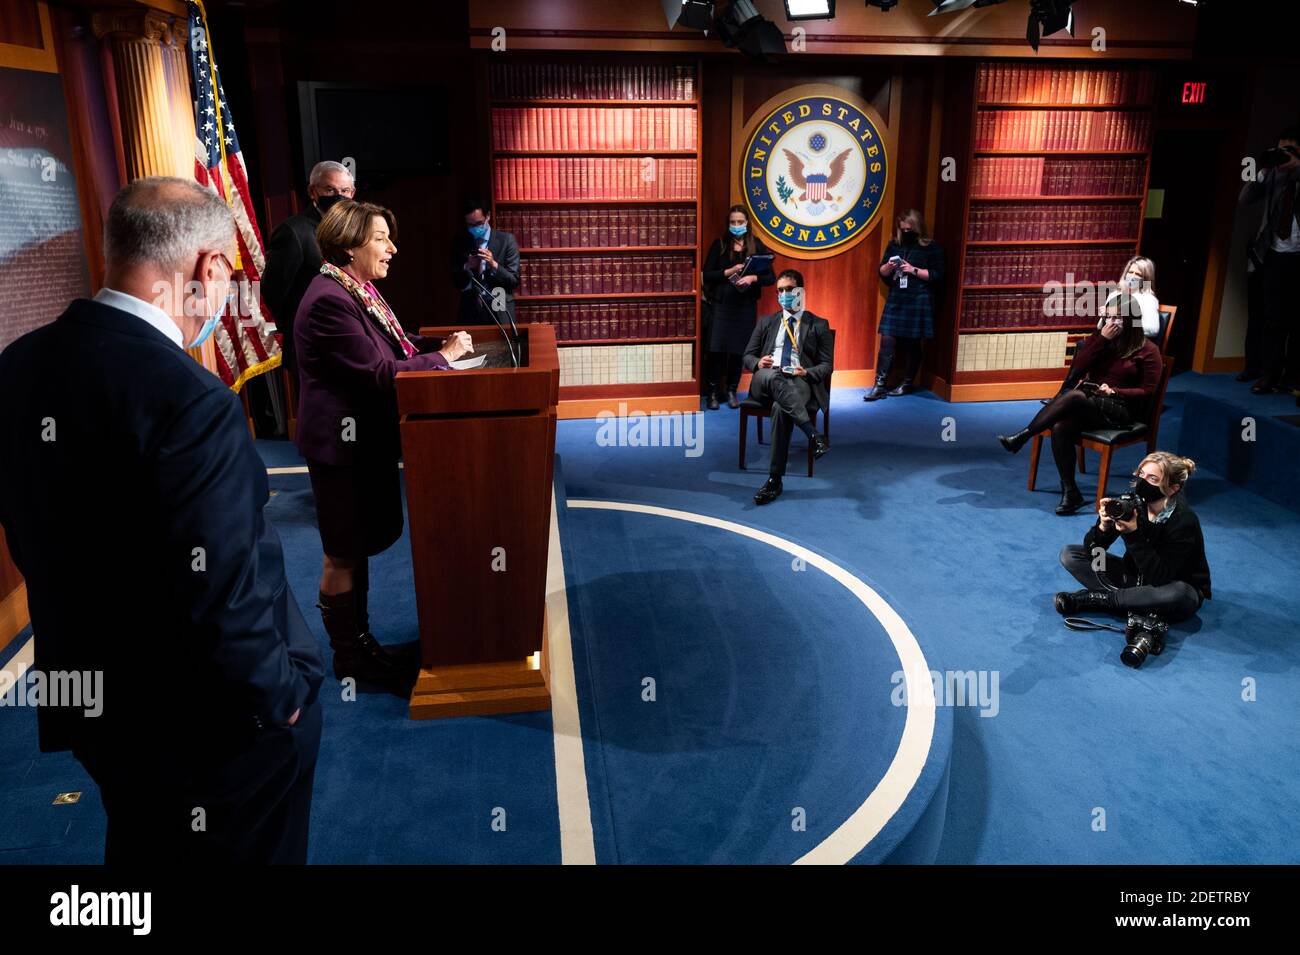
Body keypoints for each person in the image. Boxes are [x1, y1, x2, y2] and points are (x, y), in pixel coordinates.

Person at [0, 177, 325, 863]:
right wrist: (280, 702)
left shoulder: (17, 367)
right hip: (211, 732)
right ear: (208, 268)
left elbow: (28, 534)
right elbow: (225, 596)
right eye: (230, 276)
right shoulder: (192, 400)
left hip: (94, 709)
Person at [296, 200, 473, 690]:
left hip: (360, 444)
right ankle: (351, 659)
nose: (392, 248)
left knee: (355, 548)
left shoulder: (357, 289)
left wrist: (436, 348)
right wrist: (443, 358)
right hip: (340, 448)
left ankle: (363, 646)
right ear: (351, 244)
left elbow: (392, 347)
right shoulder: (330, 298)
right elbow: (378, 374)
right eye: (381, 238)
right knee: (343, 553)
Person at [997, 293, 1161, 515]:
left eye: (1118, 319)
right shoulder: (1102, 339)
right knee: (1060, 426)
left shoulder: (1148, 350)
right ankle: (1071, 491)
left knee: (1074, 397)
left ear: (1132, 321)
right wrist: (1101, 338)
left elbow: (1147, 391)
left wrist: (1115, 390)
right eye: (1109, 317)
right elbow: (1078, 369)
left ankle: (1023, 436)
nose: (1113, 323)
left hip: (1121, 410)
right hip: (1092, 402)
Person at [1056, 452, 1211, 624]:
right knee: (1071, 554)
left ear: (1173, 488)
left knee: (1180, 593)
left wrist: (1132, 535)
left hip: (1167, 587)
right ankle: (1130, 602)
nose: (1142, 482)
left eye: (1152, 479)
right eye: (1141, 474)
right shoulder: (1134, 504)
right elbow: (1094, 550)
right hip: (1133, 579)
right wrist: (1103, 527)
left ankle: (1100, 600)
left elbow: (1160, 578)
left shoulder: (1183, 522)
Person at [743, 269, 833, 505]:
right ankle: (813, 435)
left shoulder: (819, 325)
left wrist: (807, 372)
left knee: (781, 409)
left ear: (800, 292)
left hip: (798, 381)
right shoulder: (767, 322)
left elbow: (826, 366)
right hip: (766, 378)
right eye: (780, 291)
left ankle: (774, 480)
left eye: (789, 290)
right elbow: (747, 356)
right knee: (774, 378)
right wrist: (758, 362)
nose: (784, 294)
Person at [261, 160, 356, 376]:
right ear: (313, 192)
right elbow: (273, 290)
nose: (338, 196)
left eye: (344, 190)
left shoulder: (356, 230)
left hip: (350, 338)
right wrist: (300, 324)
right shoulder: (293, 231)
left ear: (353, 193)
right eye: (330, 189)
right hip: (311, 345)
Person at [1238, 126, 1300, 396]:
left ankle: (1293, 378)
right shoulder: (1272, 176)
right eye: (1280, 150)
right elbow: (1245, 199)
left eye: (1290, 150)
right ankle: (1268, 375)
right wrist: (1262, 171)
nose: (1283, 156)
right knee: (1272, 320)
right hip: (1274, 253)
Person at [865, 208, 945, 401]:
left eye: (909, 229)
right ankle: (879, 385)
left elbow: (937, 275)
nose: (906, 232)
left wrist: (912, 269)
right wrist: (888, 267)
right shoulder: (894, 244)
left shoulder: (931, 247)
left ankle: (907, 383)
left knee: (912, 343)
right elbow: (882, 272)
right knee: (887, 341)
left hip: (918, 298)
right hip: (897, 298)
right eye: (903, 229)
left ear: (917, 227)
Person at [702, 205, 774, 409]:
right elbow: (707, 274)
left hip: (745, 307)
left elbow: (771, 277)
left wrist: (753, 277)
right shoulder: (720, 245)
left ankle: (732, 390)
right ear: (728, 224)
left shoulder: (756, 245)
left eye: (740, 222)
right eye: (732, 222)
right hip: (721, 305)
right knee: (716, 351)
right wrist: (729, 271)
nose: (736, 225)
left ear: (747, 223)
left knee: (737, 351)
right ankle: (713, 392)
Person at [450, 196, 520, 328]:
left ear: (488, 216)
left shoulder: (506, 241)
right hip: (470, 310)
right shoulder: (460, 242)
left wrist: (493, 264)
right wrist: (467, 267)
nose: (474, 228)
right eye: (470, 225)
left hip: (499, 308)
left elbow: (514, 280)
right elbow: (455, 282)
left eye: (478, 224)